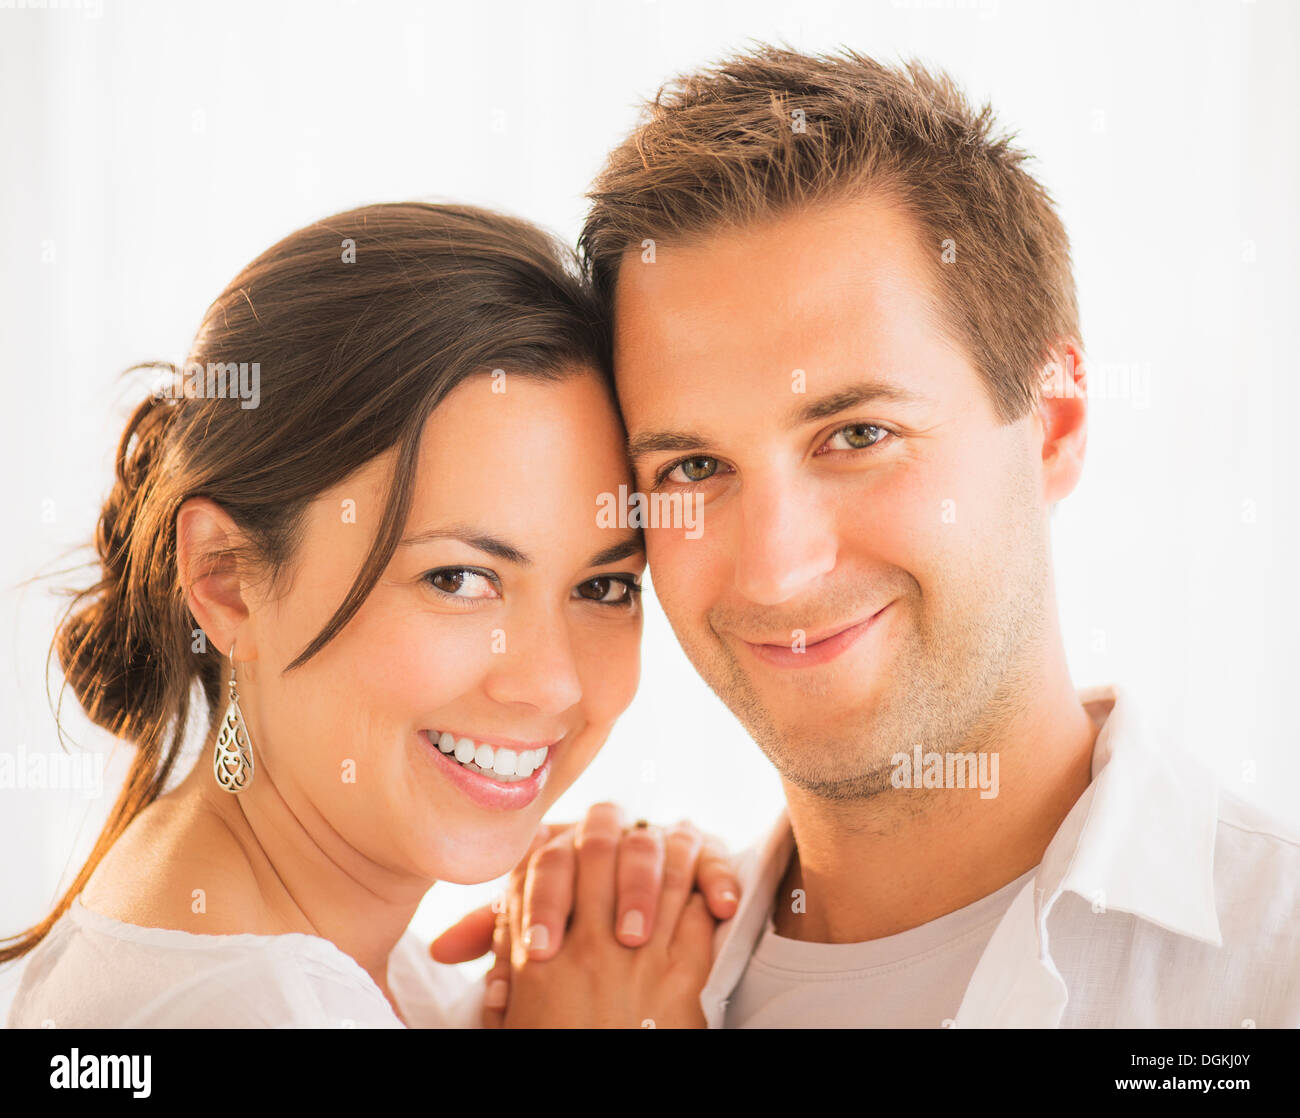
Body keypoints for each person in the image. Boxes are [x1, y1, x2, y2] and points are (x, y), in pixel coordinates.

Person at [466, 45, 1300, 1028]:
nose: (777, 570)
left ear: (1055, 421)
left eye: (858, 435)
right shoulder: (567, 996)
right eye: (692, 467)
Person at [2, 201, 738, 1028]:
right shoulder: (246, 1009)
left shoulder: (295, 959)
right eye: (459, 579)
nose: (551, 683)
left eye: (604, 588)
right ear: (226, 579)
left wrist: (605, 934)